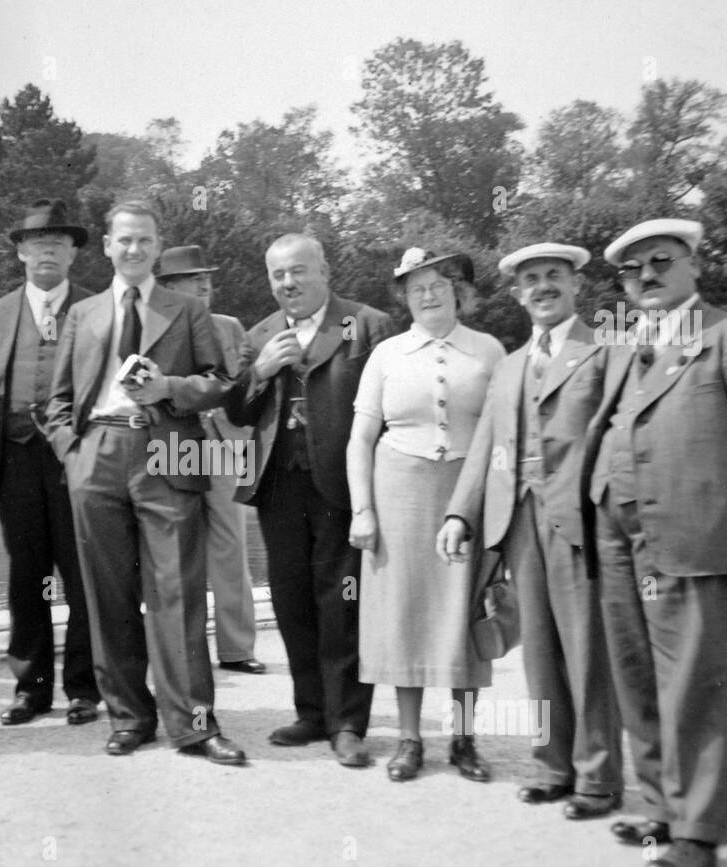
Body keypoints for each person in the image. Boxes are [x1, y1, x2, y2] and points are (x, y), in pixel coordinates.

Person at [580, 218, 727, 867]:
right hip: (618, 536)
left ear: (694, 267)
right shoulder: (624, 346)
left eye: (661, 261)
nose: (647, 275)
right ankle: (658, 806)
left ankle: (698, 830)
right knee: (637, 675)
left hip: (697, 533)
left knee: (699, 684)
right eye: (632, 269)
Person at [45, 201, 246, 765]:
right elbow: (58, 400)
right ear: (107, 245)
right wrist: (74, 455)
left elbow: (220, 382)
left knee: (177, 593)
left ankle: (196, 726)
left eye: (145, 241)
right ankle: (130, 717)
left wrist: (170, 388)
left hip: (167, 443)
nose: (134, 250)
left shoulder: (185, 309)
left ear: (159, 247)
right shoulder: (82, 315)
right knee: (107, 596)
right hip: (100, 451)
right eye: (124, 240)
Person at [439, 243, 622, 811]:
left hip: (580, 517)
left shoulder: (605, 352)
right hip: (517, 518)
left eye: (554, 277)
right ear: (518, 294)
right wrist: (458, 514)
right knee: (539, 650)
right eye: (532, 280)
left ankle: (598, 778)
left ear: (574, 286)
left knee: (587, 650)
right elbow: (486, 447)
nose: (543, 286)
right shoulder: (510, 365)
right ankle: (551, 767)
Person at [224, 234, 393, 767]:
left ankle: (347, 724)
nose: (288, 283)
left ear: (324, 271)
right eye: (277, 275)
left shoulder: (366, 324)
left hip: (342, 487)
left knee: (342, 604)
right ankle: (311, 712)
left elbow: (389, 410)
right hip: (279, 487)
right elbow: (237, 412)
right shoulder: (261, 334)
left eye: (298, 271)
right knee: (291, 601)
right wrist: (260, 371)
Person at [346, 247, 503, 781]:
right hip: (399, 497)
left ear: (458, 291)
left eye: (439, 284)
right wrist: (362, 510)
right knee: (404, 615)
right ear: (404, 297)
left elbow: (501, 437)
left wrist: (496, 510)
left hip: (467, 492)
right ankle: (409, 740)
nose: (429, 294)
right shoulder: (387, 354)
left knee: (463, 615)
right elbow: (360, 437)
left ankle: (463, 739)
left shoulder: (487, 350)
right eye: (417, 288)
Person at [0, 199, 99, 726]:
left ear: (73, 252)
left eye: (59, 241)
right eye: (36, 241)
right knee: (26, 577)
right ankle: (31, 688)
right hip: (17, 458)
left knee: (82, 573)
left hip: (77, 459)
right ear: (21, 252)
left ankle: (83, 687)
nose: (47, 249)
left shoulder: (99, 309)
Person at [156, 245, 264, 675]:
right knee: (172, 546)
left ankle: (238, 648)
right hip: (174, 442)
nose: (204, 283)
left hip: (221, 442)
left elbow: (247, 387)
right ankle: (178, 648)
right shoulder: (152, 327)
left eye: (207, 277)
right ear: (168, 286)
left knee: (230, 544)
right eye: (192, 277)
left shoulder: (230, 326)